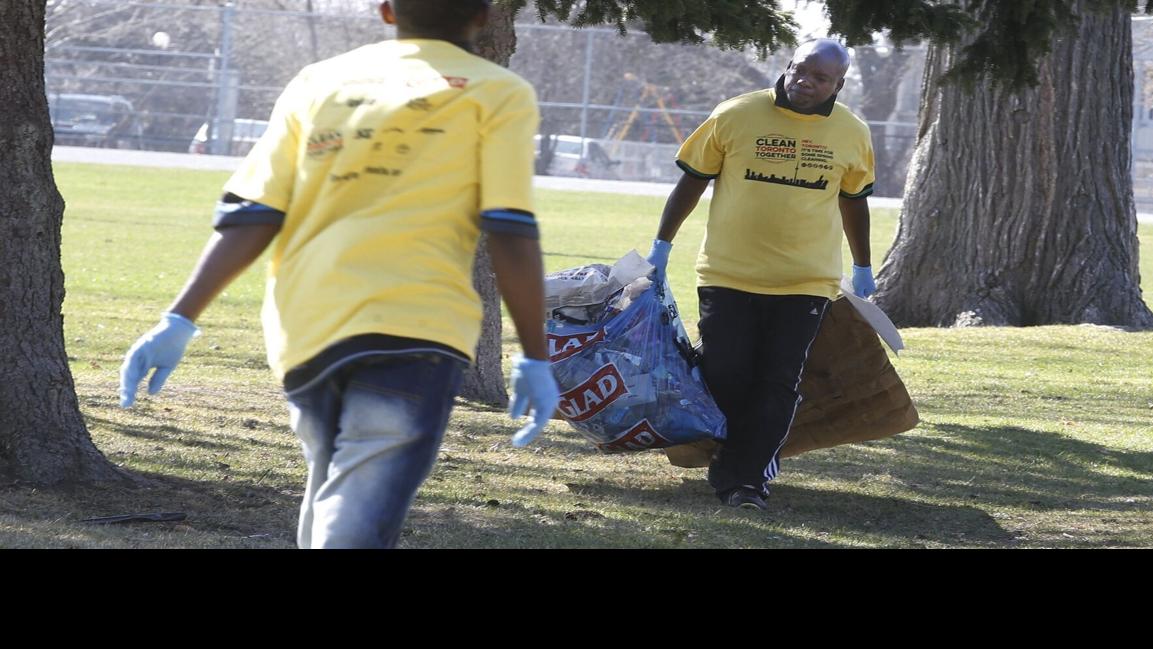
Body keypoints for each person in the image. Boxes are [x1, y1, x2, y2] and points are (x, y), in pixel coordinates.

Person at [118, 0, 559, 549]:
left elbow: (252, 213)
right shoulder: (497, 92)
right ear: (485, 15)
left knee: (332, 487)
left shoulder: (319, 81)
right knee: (354, 513)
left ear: (386, 11)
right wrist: (536, 355)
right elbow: (510, 228)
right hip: (415, 329)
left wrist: (179, 318)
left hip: (307, 328)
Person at [647, 38, 877, 511]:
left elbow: (855, 203)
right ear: (788, 66)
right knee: (725, 373)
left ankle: (745, 480)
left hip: (806, 281)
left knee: (778, 381)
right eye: (800, 70)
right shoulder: (735, 114)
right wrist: (662, 244)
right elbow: (692, 180)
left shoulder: (852, 132)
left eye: (820, 78)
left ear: (839, 84)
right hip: (728, 274)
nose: (805, 82)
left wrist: (862, 266)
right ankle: (735, 453)